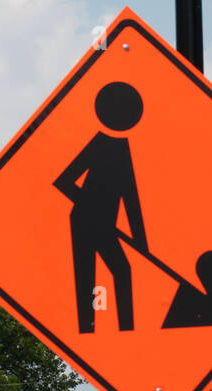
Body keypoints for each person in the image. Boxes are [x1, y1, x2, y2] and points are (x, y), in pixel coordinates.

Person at [54, 81, 147, 333]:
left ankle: (127, 330)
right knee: (87, 277)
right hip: (83, 221)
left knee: (122, 271)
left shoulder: (122, 147)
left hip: (105, 224)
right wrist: (88, 204)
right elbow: (63, 181)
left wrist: (141, 240)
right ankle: (87, 331)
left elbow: (130, 196)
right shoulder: (99, 143)